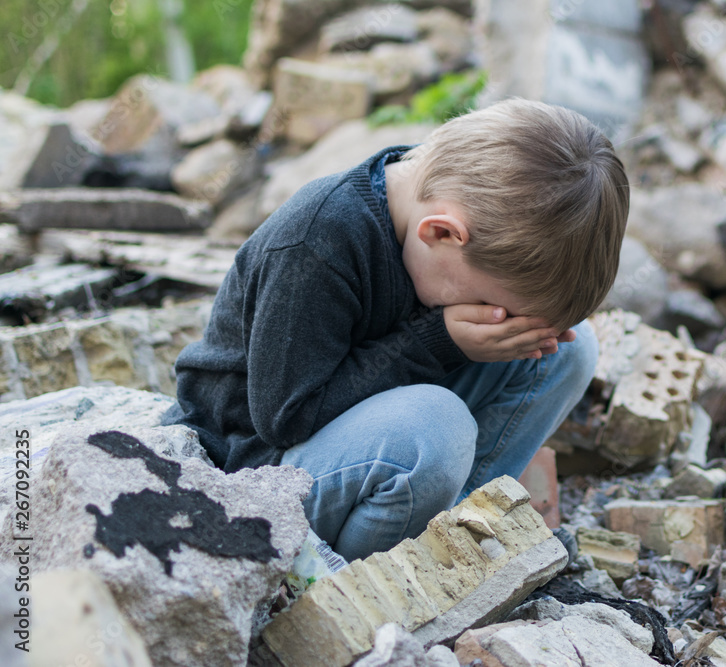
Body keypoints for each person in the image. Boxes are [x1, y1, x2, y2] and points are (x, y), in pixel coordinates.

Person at [162, 98, 630, 562]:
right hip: (255, 470)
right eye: (493, 307)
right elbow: (287, 418)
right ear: (442, 234)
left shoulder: (444, 200)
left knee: (567, 350)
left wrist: (469, 338)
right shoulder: (317, 241)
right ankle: (365, 576)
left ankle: (460, 528)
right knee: (435, 427)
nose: (498, 321)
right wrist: (437, 342)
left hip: (353, 439)